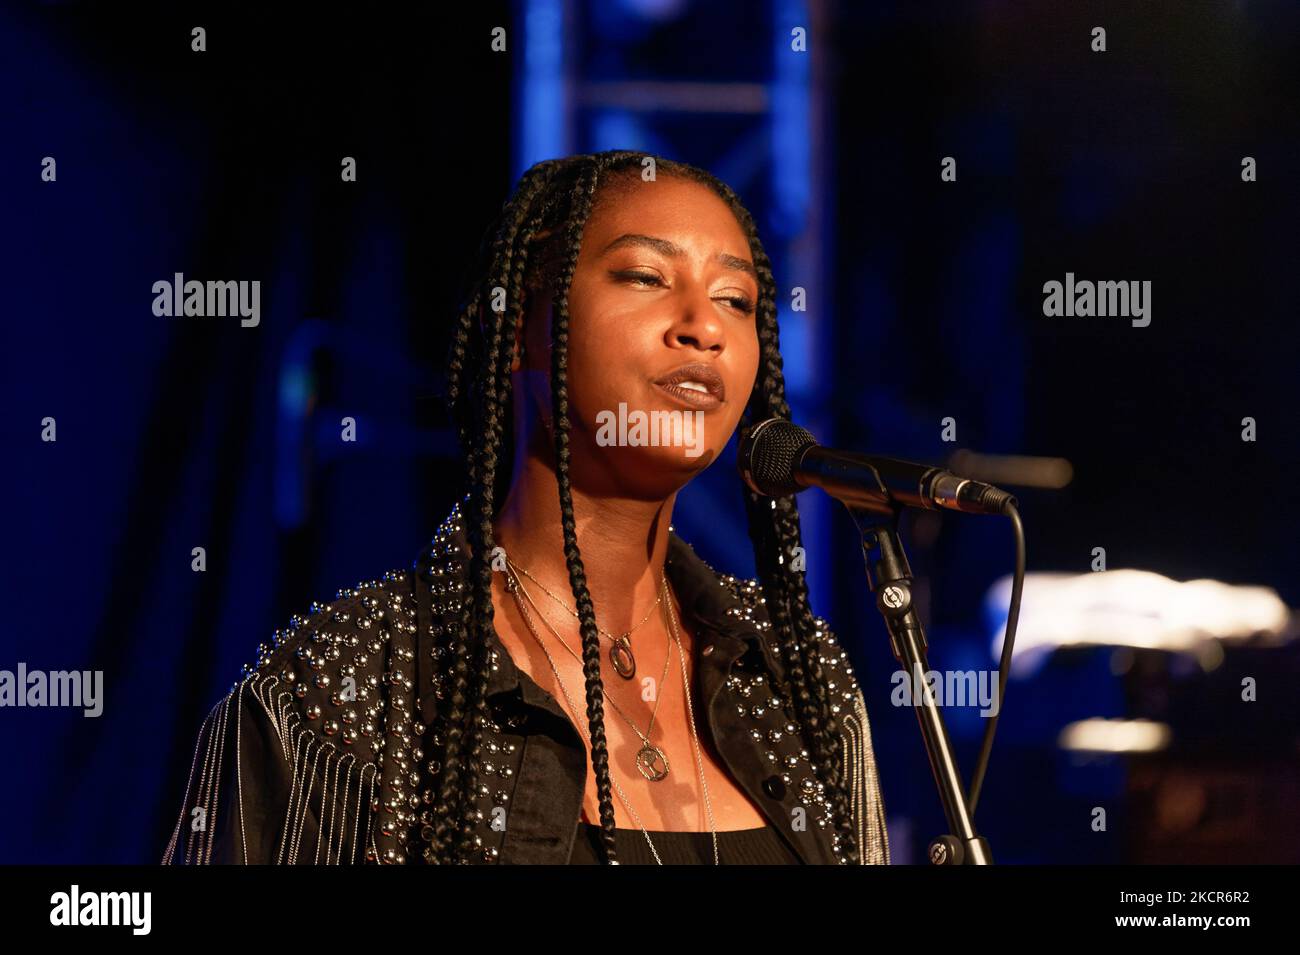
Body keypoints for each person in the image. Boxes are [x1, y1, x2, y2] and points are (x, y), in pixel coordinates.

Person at [162, 150, 889, 865]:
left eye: (737, 300)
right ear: (518, 331)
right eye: (645, 276)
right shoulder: (342, 691)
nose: (705, 326)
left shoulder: (800, 679)